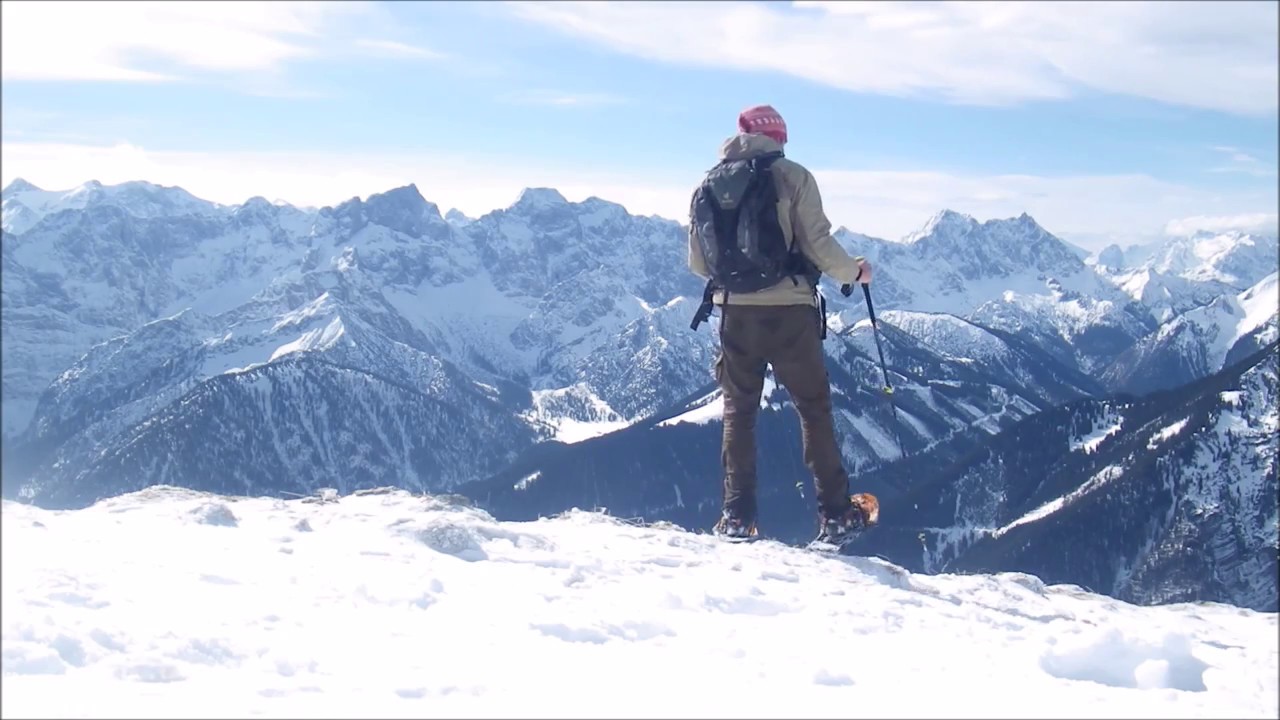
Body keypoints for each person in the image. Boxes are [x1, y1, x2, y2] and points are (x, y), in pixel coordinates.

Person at [687, 104, 876, 544]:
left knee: (739, 413)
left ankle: (736, 517)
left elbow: (698, 263)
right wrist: (855, 271)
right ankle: (835, 514)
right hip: (791, 311)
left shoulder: (709, 184)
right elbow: (819, 245)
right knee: (813, 409)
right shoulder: (793, 176)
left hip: (734, 313)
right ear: (780, 137)